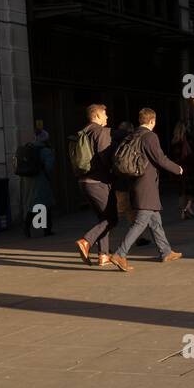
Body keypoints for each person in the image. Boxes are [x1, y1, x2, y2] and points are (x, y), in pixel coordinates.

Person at [109, 108, 184, 271]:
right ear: (152, 121)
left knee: (155, 221)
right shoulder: (150, 136)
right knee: (141, 221)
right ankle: (120, 254)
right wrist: (177, 169)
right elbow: (159, 158)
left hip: (136, 182)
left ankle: (166, 251)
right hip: (146, 185)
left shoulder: (133, 135)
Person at [73, 104, 120, 267]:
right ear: (97, 116)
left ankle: (103, 255)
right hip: (99, 182)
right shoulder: (100, 132)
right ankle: (86, 241)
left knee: (103, 217)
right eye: (105, 115)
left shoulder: (82, 132)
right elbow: (105, 157)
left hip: (83, 182)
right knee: (112, 218)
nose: (107, 118)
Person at [18, 129, 56, 238]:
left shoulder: (28, 148)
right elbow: (49, 167)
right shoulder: (45, 150)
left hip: (28, 179)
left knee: (35, 204)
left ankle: (41, 228)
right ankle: (39, 229)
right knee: (42, 204)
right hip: (41, 179)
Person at [169, 120, 194, 220]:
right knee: (192, 189)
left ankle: (183, 212)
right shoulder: (189, 138)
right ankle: (188, 207)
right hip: (189, 168)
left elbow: (173, 156)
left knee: (182, 190)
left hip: (178, 168)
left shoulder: (174, 140)